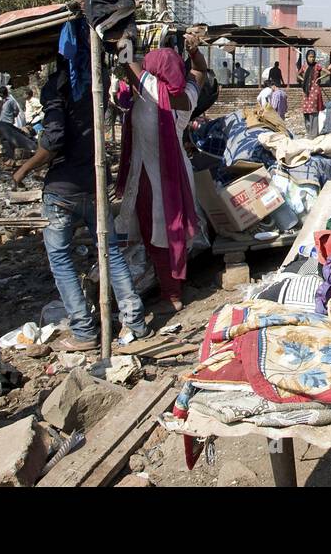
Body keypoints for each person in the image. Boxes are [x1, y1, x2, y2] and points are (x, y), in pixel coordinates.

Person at [12, 20, 151, 349]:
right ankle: (134, 321)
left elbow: (54, 140)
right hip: (94, 183)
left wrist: (23, 169)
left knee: (61, 259)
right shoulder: (98, 81)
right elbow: (129, 58)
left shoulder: (58, 87)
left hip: (62, 190)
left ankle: (84, 331)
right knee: (112, 252)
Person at [115, 39, 206, 312]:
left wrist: (123, 39)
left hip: (152, 178)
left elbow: (125, 61)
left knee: (157, 234)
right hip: (178, 172)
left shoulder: (150, 90)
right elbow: (200, 70)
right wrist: (194, 50)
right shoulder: (188, 95)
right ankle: (173, 287)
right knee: (173, 231)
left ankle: (172, 296)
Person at [0, 86, 35, 163]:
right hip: (2, 122)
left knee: (10, 140)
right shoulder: (3, 101)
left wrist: (12, 116)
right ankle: (9, 157)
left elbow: (16, 111)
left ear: (1, 93)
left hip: (7, 123)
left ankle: (12, 156)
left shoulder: (11, 101)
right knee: (5, 140)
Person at [297, 49, 327, 139]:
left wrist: (319, 78)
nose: (312, 59)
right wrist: (304, 80)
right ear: (307, 57)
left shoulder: (317, 66)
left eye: (313, 57)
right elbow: (298, 74)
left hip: (314, 91)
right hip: (306, 91)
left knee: (313, 111)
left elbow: (328, 72)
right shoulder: (304, 66)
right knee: (306, 111)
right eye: (310, 57)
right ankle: (308, 132)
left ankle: (314, 134)